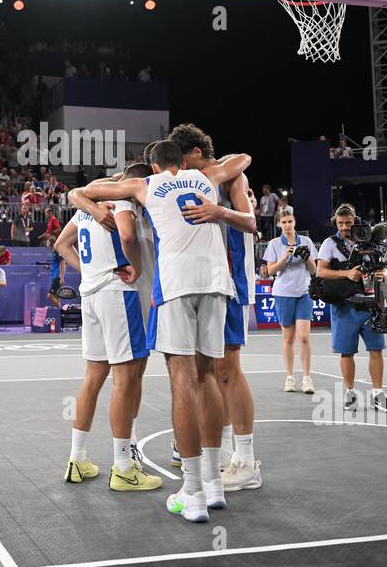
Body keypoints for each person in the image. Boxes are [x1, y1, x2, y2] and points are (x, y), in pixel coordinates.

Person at [77, 140, 250, 524]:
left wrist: (93, 204)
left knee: (182, 381)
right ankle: (214, 485)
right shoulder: (206, 176)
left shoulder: (146, 185)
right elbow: (241, 158)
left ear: (154, 167)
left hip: (176, 287)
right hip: (217, 284)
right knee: (208, 377)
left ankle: (192, 492)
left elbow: (86, 191)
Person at [168, 123, 262, 492]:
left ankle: (246, 461)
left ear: (194, 153)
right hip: (198, 283)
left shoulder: (229, 176)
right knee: (202, 368)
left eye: (181, 161)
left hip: (230, 282)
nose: (178, 170)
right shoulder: (194, 180)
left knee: (227, 370)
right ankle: (218, 451)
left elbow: (252, 222)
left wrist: (218, 212)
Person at [57, 162, 161, 492]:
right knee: (126, 378)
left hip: (92, 294)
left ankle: (77, 458)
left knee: (93, 377)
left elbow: (61, 245)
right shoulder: (126, 202)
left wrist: (88, 273)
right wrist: (137, 266)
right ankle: (123, 467)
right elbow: (128, 235)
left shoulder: (88, 209)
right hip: (120, 293)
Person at [316, 203, 387, 414]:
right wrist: (346, 274)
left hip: (371, 304)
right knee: (346, 352)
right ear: (335, 222)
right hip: (344, 306)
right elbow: (320, 272)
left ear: (355, 220)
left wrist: (383, 273)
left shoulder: (371, 240)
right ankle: (350, 393)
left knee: (376, 350)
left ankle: (378, 394)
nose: (344, 227)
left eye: (348, 223)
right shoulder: (329, 244)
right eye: (340, 223)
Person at [262, 206, 318, 394]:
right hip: (283, 293)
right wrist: (285, 257)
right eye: (284, 222)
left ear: (295, 223)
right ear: (279, 224)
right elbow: (270, 271)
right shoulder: (275, 244)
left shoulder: (307, 242)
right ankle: (289, 377)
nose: (287, 225)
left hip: (304, 292)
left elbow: (314, 270)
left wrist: (307, 257)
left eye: (290, 221)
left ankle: (307, 378)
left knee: (303, 337)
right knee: (288, 337)